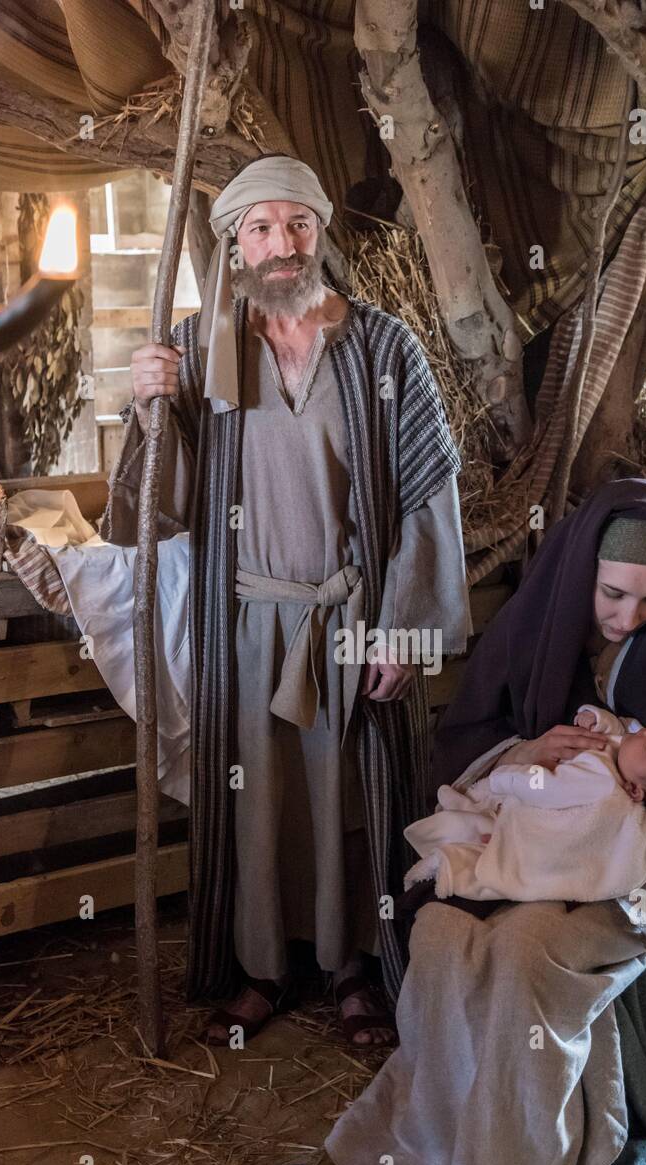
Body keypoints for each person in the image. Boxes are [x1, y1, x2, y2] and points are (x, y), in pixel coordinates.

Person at [325, 480, 646, 1165]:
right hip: (525, 836)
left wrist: (626, 844)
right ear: (580, 572)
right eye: (611, 594)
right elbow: (469, 737)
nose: (627, 618)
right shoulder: (532, 625)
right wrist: (525, 753)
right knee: (443, 940)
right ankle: (445, 1153)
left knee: (530, 955)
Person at [98, 155, 470, 1046]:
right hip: (245, 624)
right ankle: (263, 967)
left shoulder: (383, 347)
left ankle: (353, 971)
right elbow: (159, 506)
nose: (281, 244)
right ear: (234, 244)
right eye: (259, 229)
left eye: (297, 224)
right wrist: (149, 409)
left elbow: (428, 494)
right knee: (255, 796)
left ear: (319, 234)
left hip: (356, 618)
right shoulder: (198, 349)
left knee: (353, 795)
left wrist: (407, 637)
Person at [402, 703, 646, 904]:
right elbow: (616, 733)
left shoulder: (602, 782)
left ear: (634, 791)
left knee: (476, 829)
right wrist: (597, 717)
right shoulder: (629, 758)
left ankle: (445, 854)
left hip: (529, 828)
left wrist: (504, 778)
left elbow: (545, 788)